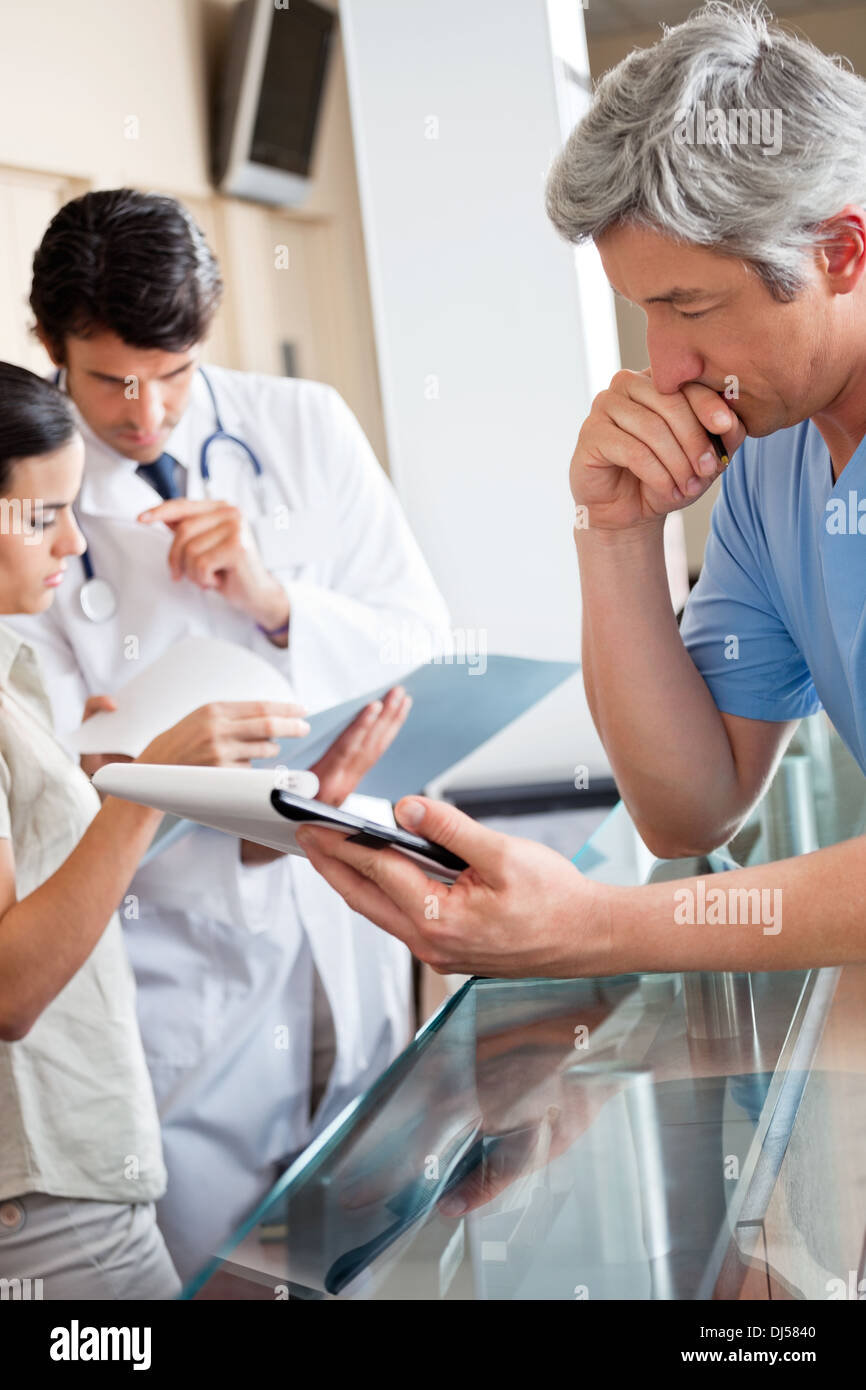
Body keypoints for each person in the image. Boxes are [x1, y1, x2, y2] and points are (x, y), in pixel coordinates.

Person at [293, 4, 866, 978]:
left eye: (692, 306)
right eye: (645, 311)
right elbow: (687, 806)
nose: (667, 364)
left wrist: (596, 926)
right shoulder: (774, 460)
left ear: (838, 252)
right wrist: (613, 530)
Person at [8, 188, 450, 1282]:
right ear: (49, 344)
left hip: (330, 903)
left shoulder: (301, 425)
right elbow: (50, 779)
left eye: (173, 374)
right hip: (163, 954)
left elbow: (418, 635)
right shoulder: (29, 496)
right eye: (110, 379)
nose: (147, 415)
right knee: (223, 1267)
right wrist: (179, 783)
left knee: (373, 1241)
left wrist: (273, 599)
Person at [0, 362, 313, 1297]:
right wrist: (147, 787)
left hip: (72, 1179)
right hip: (47, 1199)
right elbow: (8, 990)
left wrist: (90, 771)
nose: (70, 541)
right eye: (40, 516)